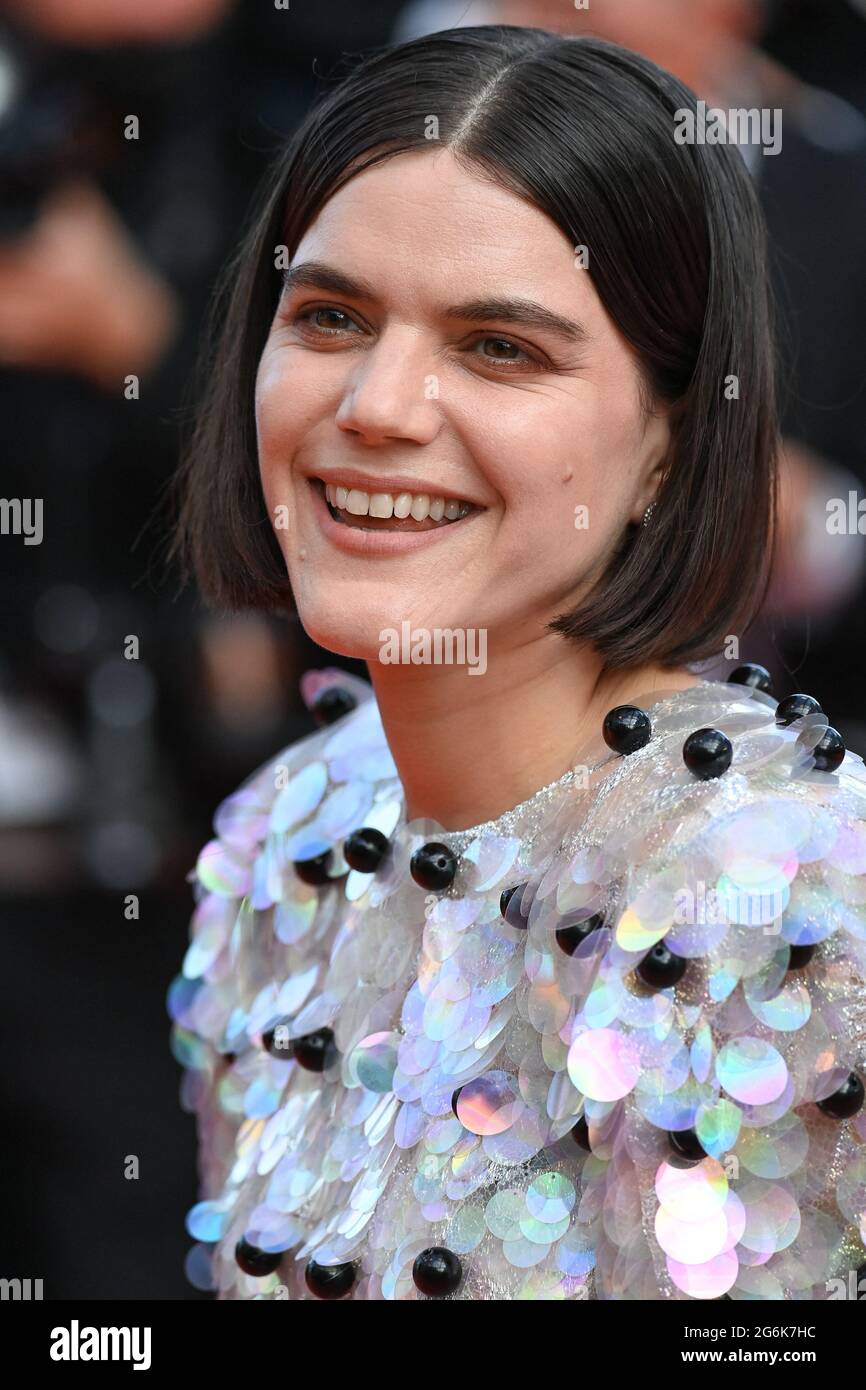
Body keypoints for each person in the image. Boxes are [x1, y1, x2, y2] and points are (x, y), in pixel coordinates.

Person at [167, 26, 866, 1301]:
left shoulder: (782, 904)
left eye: (498, 347)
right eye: (328, 315)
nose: (378, 405)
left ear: (670, 442)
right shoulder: (287, 833)